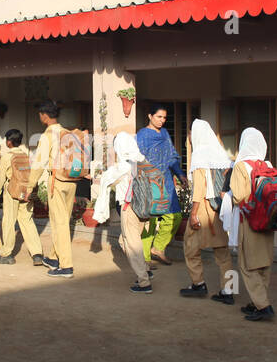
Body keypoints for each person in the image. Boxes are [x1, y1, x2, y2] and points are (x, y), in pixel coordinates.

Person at [179, 119, 234, 300]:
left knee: (190, 247)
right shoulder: (220, 154)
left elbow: (199, 188)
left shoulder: (200, 155)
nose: (188, 137)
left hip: (203, 208)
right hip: (219, 208)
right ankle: (230, 290)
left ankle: (198, 284)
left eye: (189, 133)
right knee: (223, 252)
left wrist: (193, 213)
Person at [93, 132, 153, 293]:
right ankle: (145, 269)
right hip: (146, 210)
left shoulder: (123, 165)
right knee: (125, 240)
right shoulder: (143, 160)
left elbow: (107, 179)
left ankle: (144, 282)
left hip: (130, 209)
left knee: (132, 245)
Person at [33, 100, 85, 278]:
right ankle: (54, 257)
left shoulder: (47, 136)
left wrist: (29, 185)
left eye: (40, 115)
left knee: (59, 223)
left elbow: (38, 164)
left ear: (44, 116)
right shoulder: (67, 132)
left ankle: (66, 266)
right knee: (64, 221)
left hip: (56, 180)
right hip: (71, 180)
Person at [229, 127, 276, 320]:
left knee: (247, 263)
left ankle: (263, 306)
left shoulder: (241, 166)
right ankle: (257, 301)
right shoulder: (267, 164)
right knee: (264, 262)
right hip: (268, 220)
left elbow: (239, 196)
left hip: (250, 220)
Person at [134, 105, 187, 267]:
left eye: (164, 118)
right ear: (150, 116)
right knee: (150, 219)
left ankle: (158, 247)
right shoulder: (142, 135)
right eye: (159, 117)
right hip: (150, 180)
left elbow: (171, 155)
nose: (162, 121)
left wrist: (180, 173)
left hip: (167, 180)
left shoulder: (164, 133)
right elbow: (139, 157)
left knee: (175, 216)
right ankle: (145, 258)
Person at [0, 129, 43, 266]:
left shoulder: (7, 156)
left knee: (9, 221)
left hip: (12, 191)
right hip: (26, 191)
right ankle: (37, 254)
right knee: (27, 221)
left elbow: (1, 177)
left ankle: (7, 254)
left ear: (9, 142)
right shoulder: (25, 155)